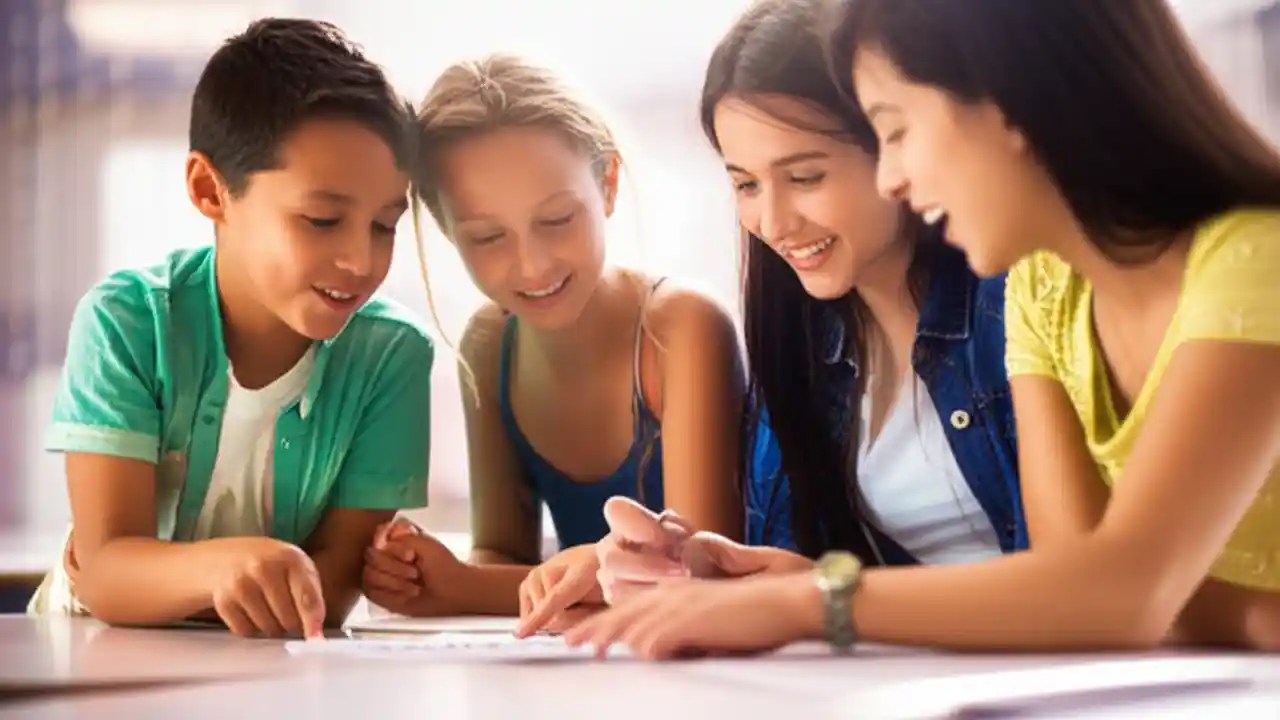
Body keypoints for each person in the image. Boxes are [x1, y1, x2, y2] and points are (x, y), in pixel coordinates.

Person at [566, 0, 1280, 658]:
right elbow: (1074, 585)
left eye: (898, 130)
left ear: (1008, 103)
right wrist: (795, 584)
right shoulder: (1043, 290)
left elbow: (1114, 595)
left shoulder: (1255, 261)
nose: (894, 177)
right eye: (744, 182)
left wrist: (812, 601)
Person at [517, 0, 1027, 636]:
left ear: (895, 140)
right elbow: (815, 583)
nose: (774, 223)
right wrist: (675, 568)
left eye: (805, 177)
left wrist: (816, 597)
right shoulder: (807, 348)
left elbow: (1078, 583)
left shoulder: (1012, 303)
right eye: (746, 185)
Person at [29, 19, 433, 639]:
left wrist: (179, 581)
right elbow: (104, 572)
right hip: (87, 653)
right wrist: (226, 567)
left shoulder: (392, 356)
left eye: (384, 225)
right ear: (209, 190)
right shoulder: (128, 322)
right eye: (322, 220)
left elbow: (332, 590)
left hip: (265, 668)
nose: (361, 261)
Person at [360, 55, 744, 629]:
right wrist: (422, 574)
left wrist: (465, 587)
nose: (533, 265)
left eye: (559, 219)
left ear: (608, 184)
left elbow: (698, 572)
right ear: (447, 232)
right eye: (488, 237)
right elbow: (502, 556)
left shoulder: (681, 329)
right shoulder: (490, 345)